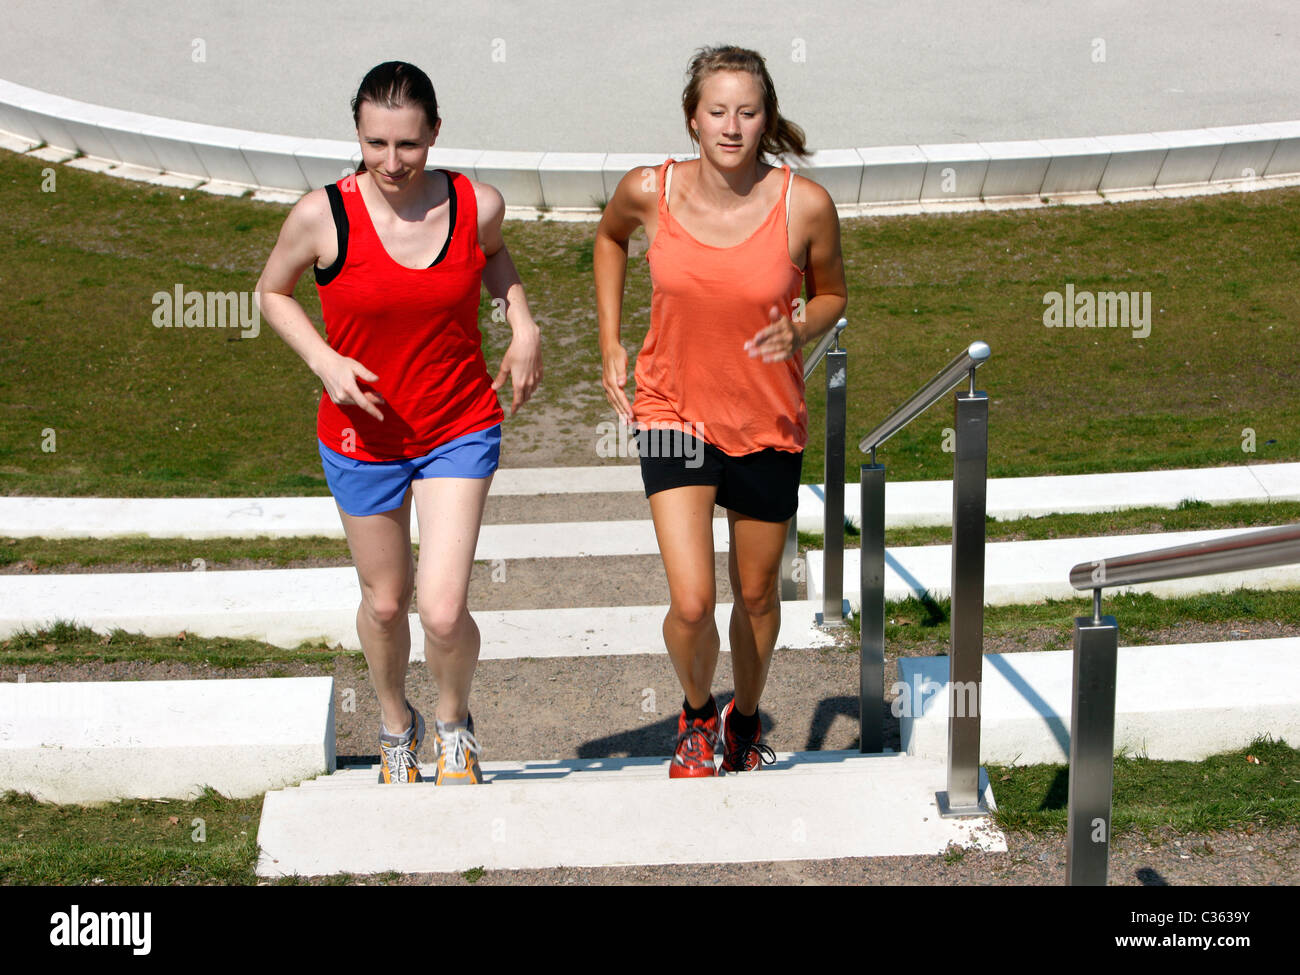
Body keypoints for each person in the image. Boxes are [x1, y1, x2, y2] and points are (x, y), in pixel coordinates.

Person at [255, 61, 542, 784]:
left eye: (408, 145)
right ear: (357, 133)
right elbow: (272, 291)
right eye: (376, 143)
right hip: (362, 436)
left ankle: (452, 721)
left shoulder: (478, 205)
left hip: (457, 424)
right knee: (385, 604)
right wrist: (323, 359)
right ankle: (394, 718)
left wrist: (524, 322)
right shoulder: (322, 215)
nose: (391, 162)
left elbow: (495, 259)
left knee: (442, 611)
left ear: (435, 134)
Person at [593, 45, 847, 777]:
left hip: (766, 420)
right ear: (692, 119)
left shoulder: (806, 204)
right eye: (717, 112)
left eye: (748, 111)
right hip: (674, 410)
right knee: (694, 600)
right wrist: (611, 341)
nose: (732, 126)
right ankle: (698, 713)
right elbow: (609, 240)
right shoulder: (650, 189)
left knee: (759, 593)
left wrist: (803, 324)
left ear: (766, 117)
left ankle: (744, 718)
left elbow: (832, 291)